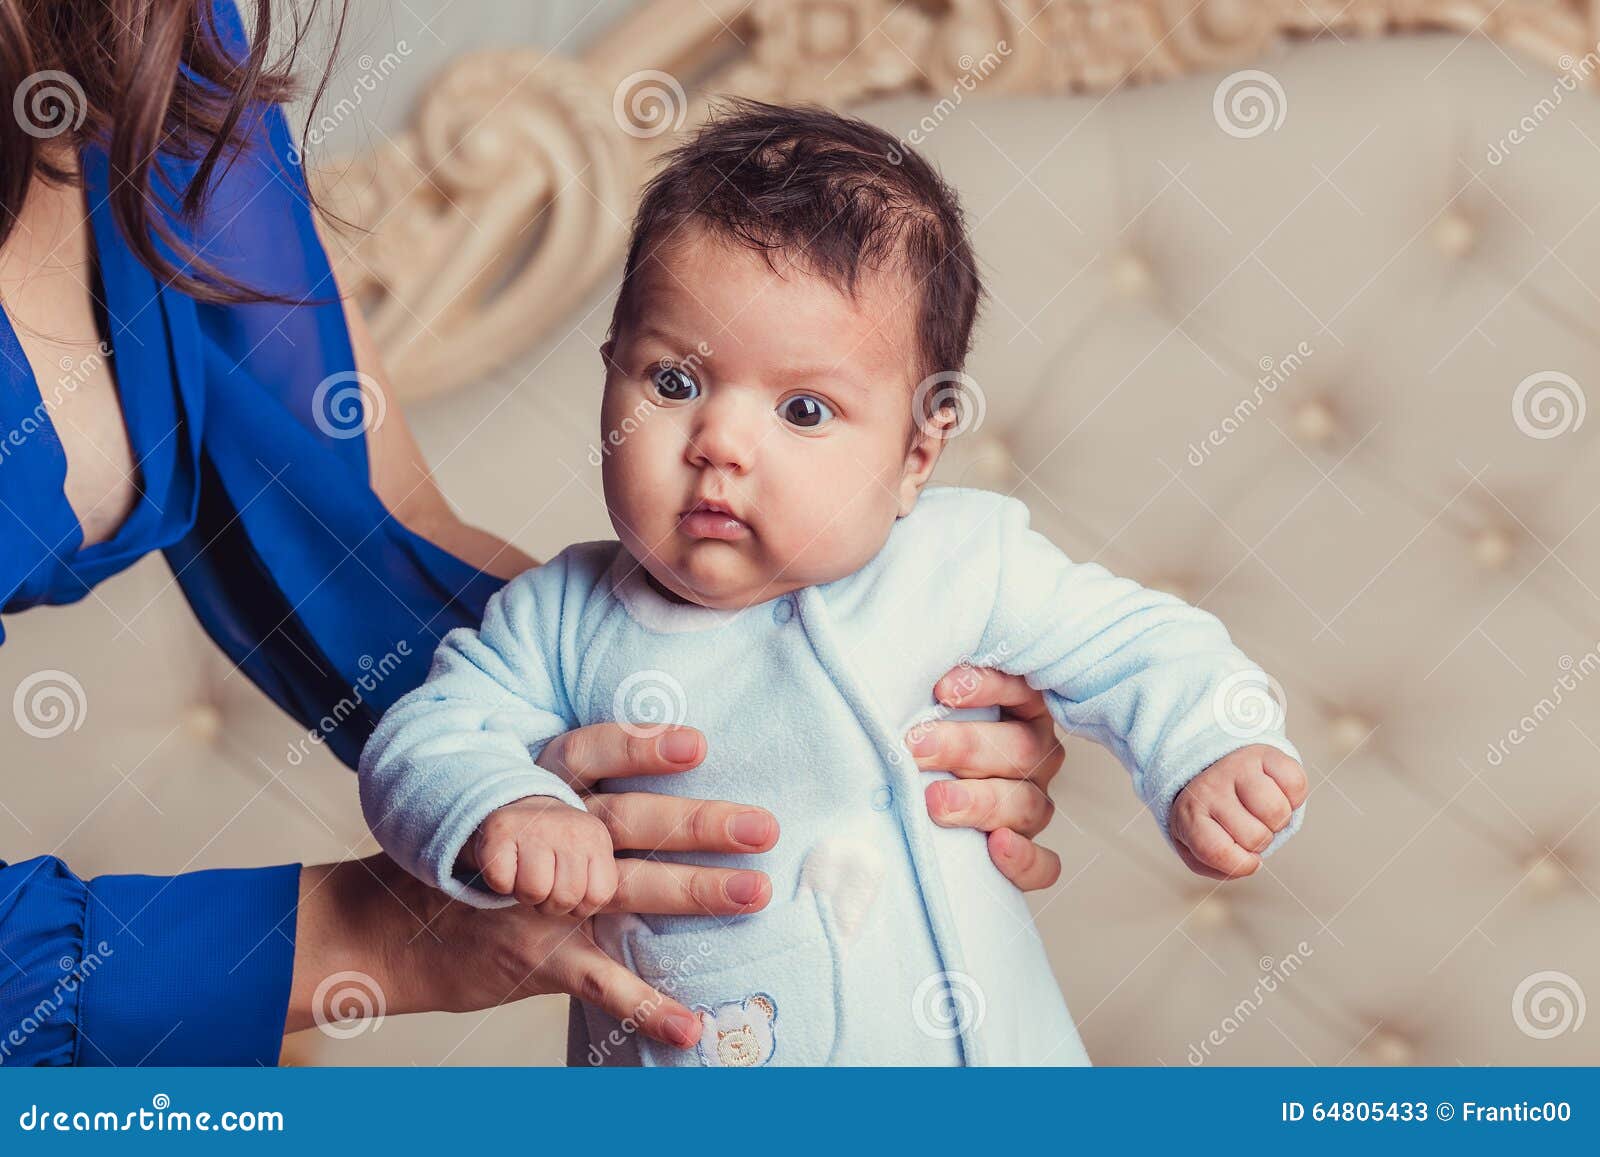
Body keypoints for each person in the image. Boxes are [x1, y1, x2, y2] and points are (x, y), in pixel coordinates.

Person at [0, 2, 1073, 1066]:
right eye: (674, 381)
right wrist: (368, 935)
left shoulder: (154, 35)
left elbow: (362, 530)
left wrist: (836, 703)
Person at [357, 101, 1311, 1066]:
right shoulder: (558, 620)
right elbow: (421, 743)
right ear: (610, 372)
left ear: (914, 454)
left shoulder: (963, 561)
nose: (720, 444)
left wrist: (1208, 747)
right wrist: (501, 812)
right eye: (674, 383)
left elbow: (1135, 642)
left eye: (804, 409)